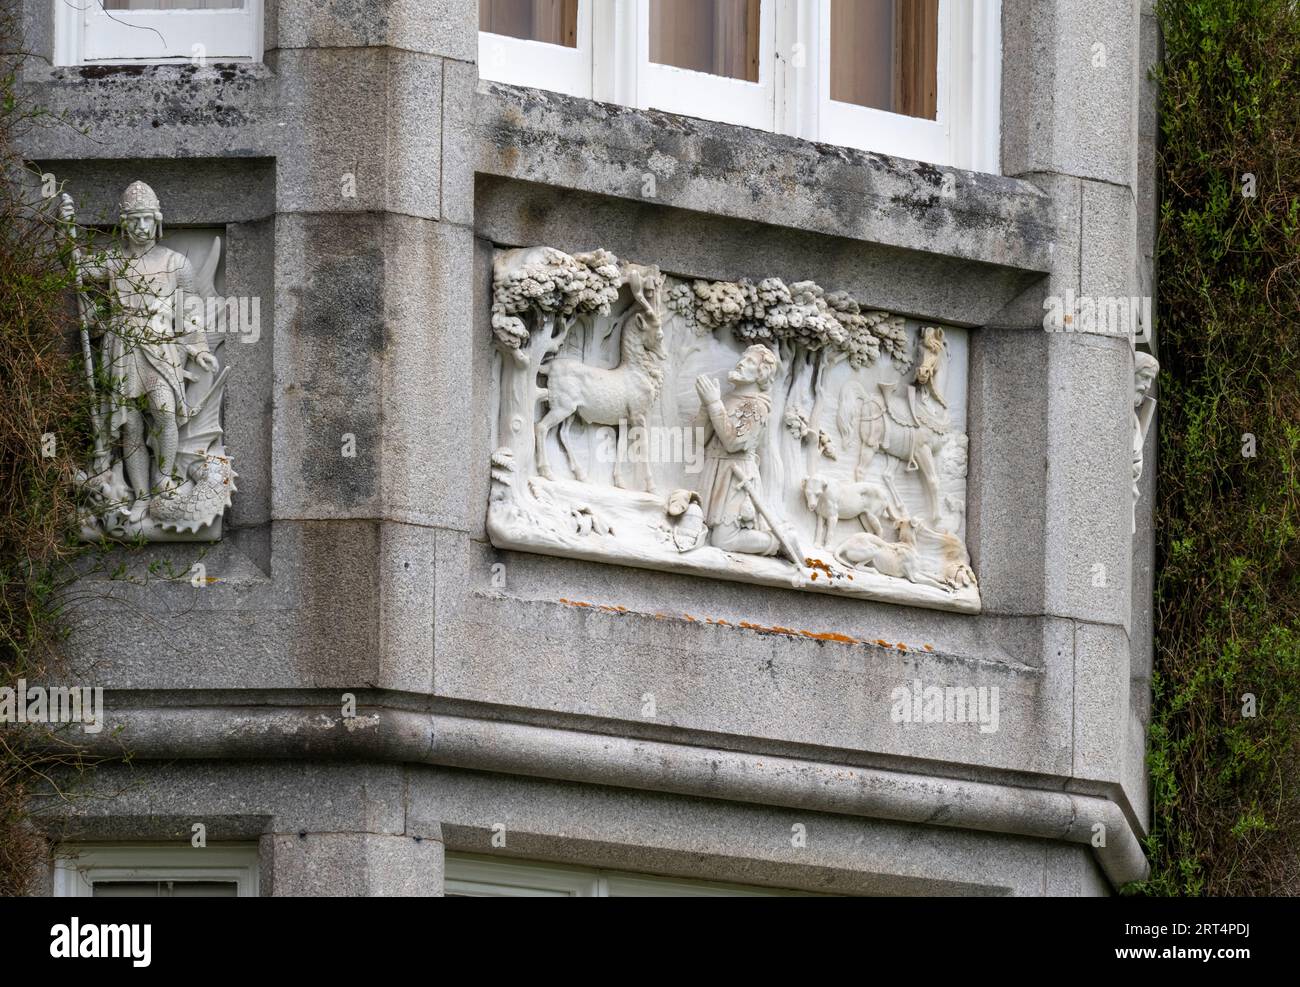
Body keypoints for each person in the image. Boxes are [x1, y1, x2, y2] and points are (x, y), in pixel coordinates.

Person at [61, 181, 218, 521]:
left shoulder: (177, 263)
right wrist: (66, 235)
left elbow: (189, 308)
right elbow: (77, 269)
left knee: (164, 411)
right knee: (129, 424)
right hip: (121, 348)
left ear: (157, 221)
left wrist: (198, 347)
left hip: (161, 346)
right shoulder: (114, 261)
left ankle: (164, 479)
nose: (141, 228)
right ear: (124, 223)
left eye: (147, 219)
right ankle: (141, 496)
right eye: (134, 220)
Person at [693, 345, 782, 555]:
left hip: (737, 478)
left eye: (750, 361)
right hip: (715, 473)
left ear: (762, 373)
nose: (741, 363)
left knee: (724, 540)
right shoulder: (726, 400)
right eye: (742, 358)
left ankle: (776, 542)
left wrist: (714, 403)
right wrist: (706, 406)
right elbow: (698, 440)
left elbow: (733, 443)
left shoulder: (757, 406)